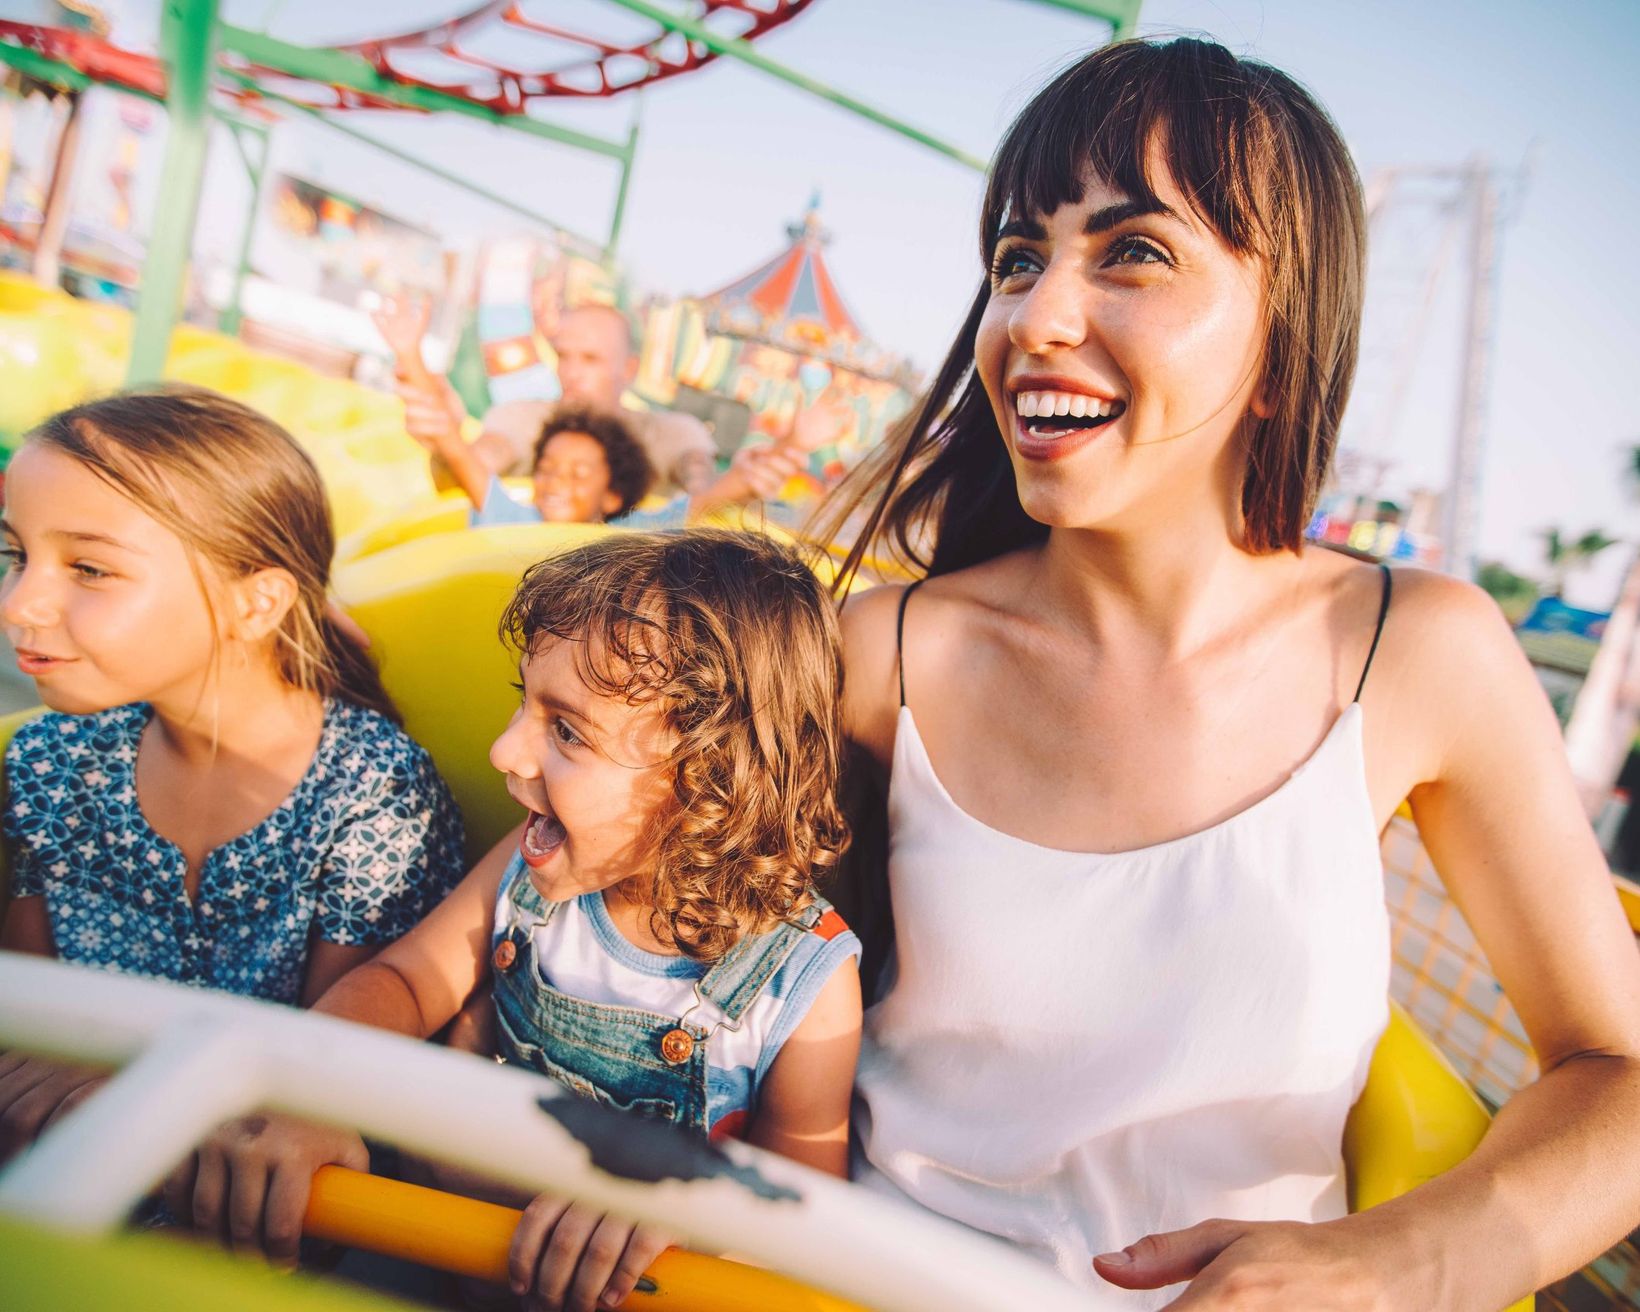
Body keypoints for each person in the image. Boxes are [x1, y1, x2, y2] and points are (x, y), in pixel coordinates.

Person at [815, 37, 1640, 1311]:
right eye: (1016, 257)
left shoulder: (1415, 652)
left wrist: (1400, 1259)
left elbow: (1618, 1070)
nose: (1034, 316)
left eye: (1132, 252)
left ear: (1281, 335)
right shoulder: (879, 656)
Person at [169, 532, 864, 1312]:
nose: (506, 750)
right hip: (447, 1246)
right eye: (524, 703)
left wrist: (682, 1212)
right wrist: (310, 1090)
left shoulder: (806, 980)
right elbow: (405, 979)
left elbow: (802, 1213)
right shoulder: (531, 863)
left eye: (566, 730)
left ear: (713, 786)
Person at [0, 387, 466, 1158]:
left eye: (88, 568)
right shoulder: (52, 759)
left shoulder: (373, 792)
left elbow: (316, 1092)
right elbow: (31, 1014)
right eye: (16, 555)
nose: (20, 604)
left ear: (257, 603)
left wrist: (112, 1094)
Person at [375, 297, 718, 499]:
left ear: (627, 369)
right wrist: (445, 441)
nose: (570, 372)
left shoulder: (669, 434)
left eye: (590, 359)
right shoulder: (524, 419)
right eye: (563, 356)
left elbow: (702, 488)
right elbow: (472, 468)